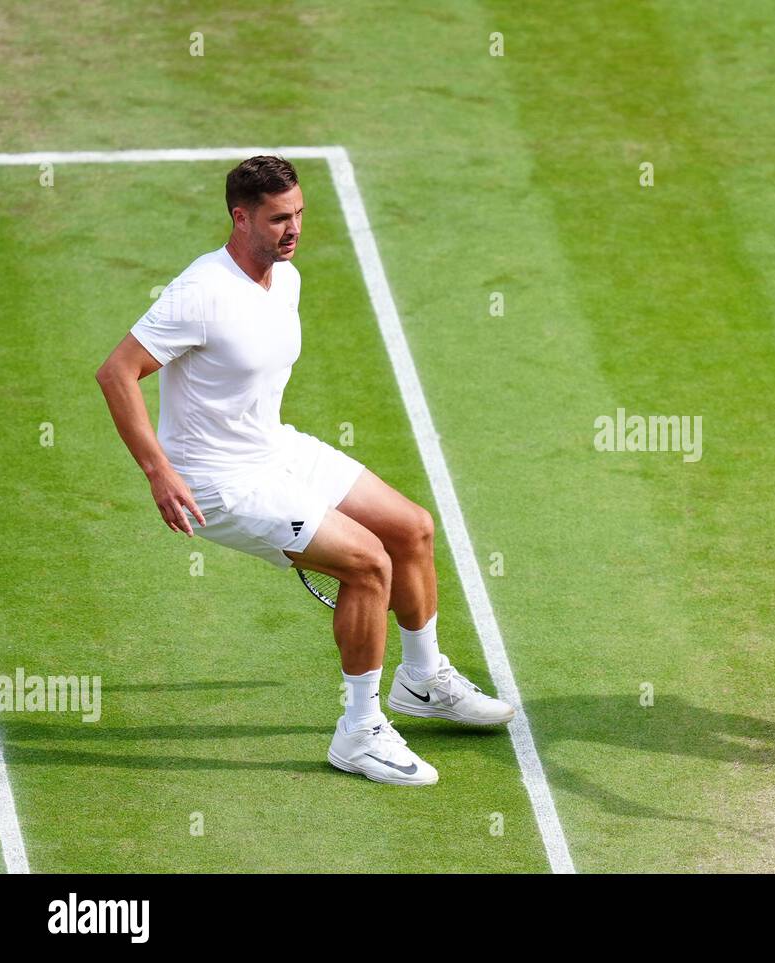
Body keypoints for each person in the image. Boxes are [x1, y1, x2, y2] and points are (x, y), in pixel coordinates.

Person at [95, 155, 514, 787]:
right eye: (277, 218)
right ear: (240, 217)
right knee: (369, 563)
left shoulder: (285, 278)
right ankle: (360, 732)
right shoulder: (201, 292)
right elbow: (116, 372)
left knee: (412, 529)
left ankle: (424, 680)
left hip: (272, 447)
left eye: (298, 215)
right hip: (216, 480)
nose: (292, 229)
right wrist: (159, 470)